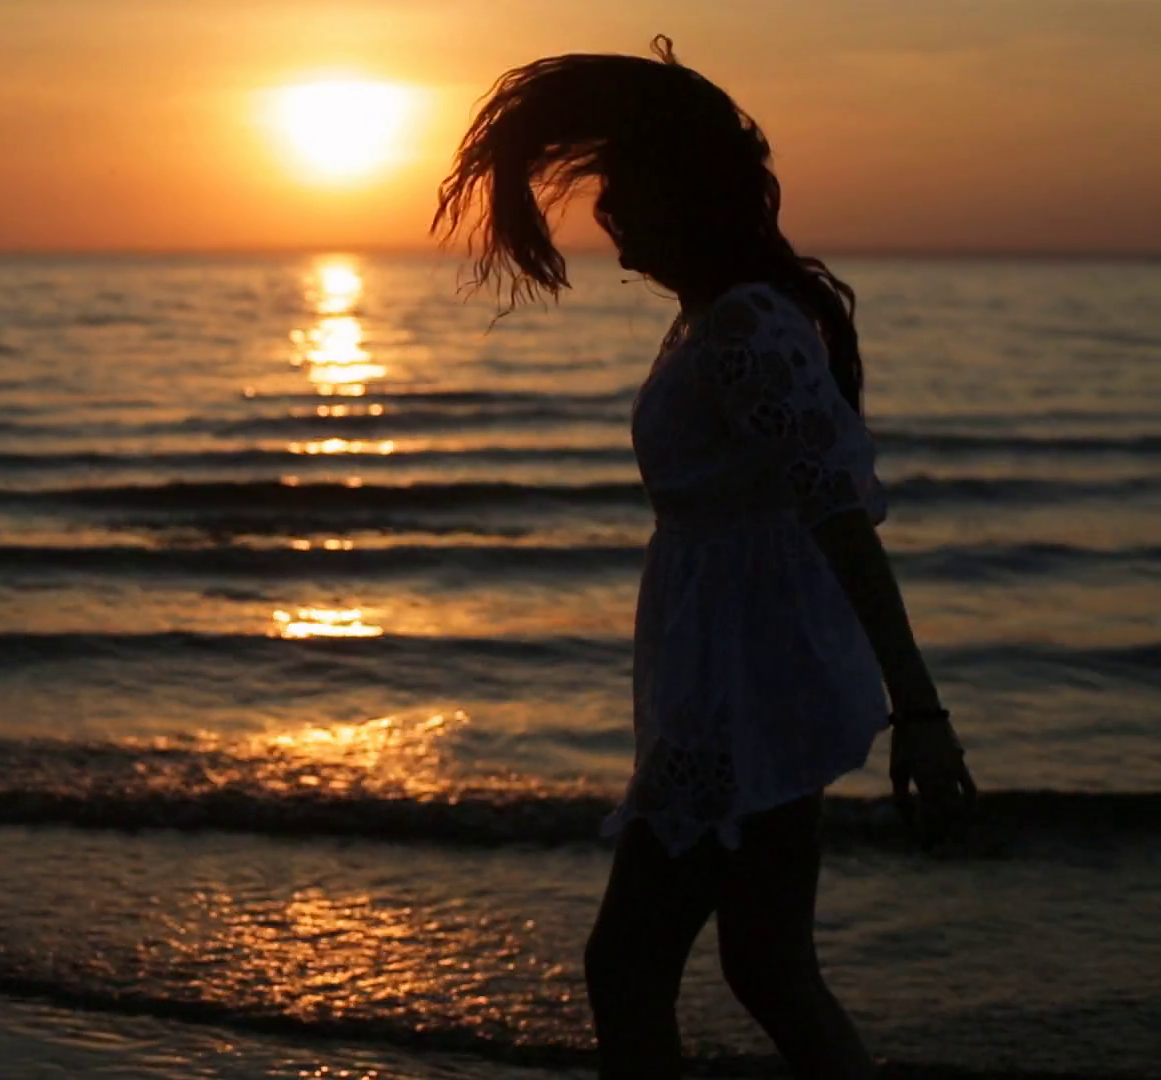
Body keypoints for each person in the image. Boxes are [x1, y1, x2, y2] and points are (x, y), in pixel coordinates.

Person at [432, 36, 979, 1079]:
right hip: (735, 674)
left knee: (631, 965)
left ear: (691, 199)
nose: (618, 238)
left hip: (749, 687)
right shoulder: (715, 322)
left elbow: (838, 521)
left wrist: (922, 712)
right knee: (765, 968)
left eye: (631, 209)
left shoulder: (743, 329)